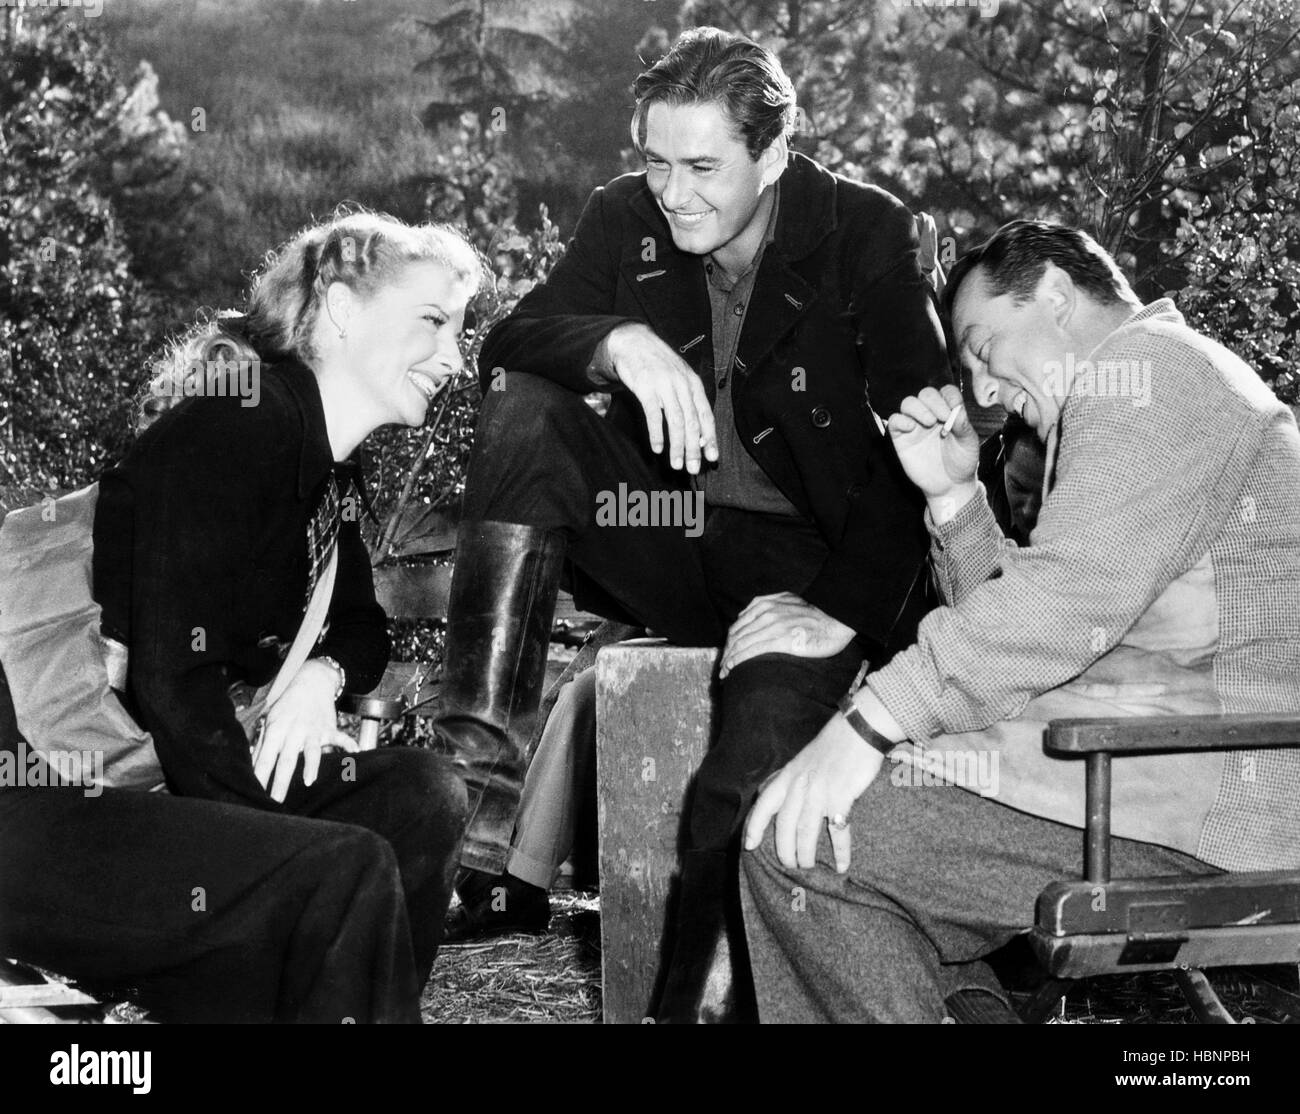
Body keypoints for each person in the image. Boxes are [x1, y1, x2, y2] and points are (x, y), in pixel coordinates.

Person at [434, 27, 951, 1018]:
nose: (672, 193)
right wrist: (613, 341)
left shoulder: (866, 233)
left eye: (702, 167)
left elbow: (919, 445)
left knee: (737, 790)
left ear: (774, 156)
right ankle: (478, 785)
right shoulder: (620, 216)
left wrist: (841, 608)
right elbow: (512, 337)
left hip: (800, 572)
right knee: (524, 407)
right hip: (662, 529)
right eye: (656, 161)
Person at [740, 219, 1300, 1023]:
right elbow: (1043, 630)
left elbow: (1061, 607)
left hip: (1207, 808)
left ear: (1054, 294)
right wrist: (953, 496)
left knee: (803, 845)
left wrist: (866, 725)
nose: (988, 391)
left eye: (982, 348)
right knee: (823, 831)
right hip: (1149, 777)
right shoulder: (1151, 385)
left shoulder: (1154, 375)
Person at [0, 209, 482, 1022]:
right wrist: (270, 846)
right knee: (335, 867)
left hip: (124, 784)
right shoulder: (241, 423)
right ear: (340, 309)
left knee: (423, 793)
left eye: (460, 333)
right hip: (33, 805)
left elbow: (360, 627)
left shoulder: (323, 477)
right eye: (433, 322)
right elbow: (170, 676)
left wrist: (319, 680)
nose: (456, 360)